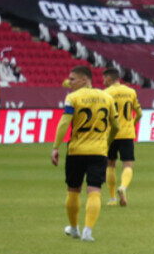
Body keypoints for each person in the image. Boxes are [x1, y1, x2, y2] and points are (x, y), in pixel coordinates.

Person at [51, 66, 119, 242]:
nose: (69, 82)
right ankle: (88, 232)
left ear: (84, 80)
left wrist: (56, 147)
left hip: (76, 151)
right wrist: (107, 141)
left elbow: (64, 123)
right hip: (99, 151)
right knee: (94, 191)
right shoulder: (107, 97)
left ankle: (74, 229)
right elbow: (116, 126)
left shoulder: (73, 98)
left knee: (73, 190)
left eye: (72, 79)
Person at [102, 68, 140, 208]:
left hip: (111, 134)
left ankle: (112, 199)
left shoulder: (105, 94)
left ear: (110, 79)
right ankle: (123, 187)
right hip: (127, 133)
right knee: (128, 164)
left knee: (110, 165)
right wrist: (132, 124)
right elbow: (139, 113)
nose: (103, 81)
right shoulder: (131, 92)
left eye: (104, 78)